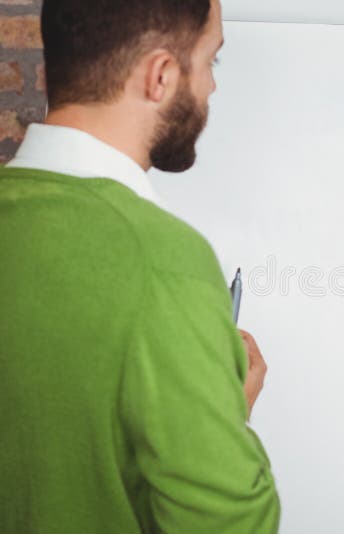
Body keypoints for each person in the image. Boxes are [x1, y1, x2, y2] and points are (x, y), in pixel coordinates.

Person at [0, 0, 280, 532]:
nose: (212, 88)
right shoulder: (165, 262)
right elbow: (230, 524)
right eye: (210, 62)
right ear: (161, 76)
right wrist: (229, 416)